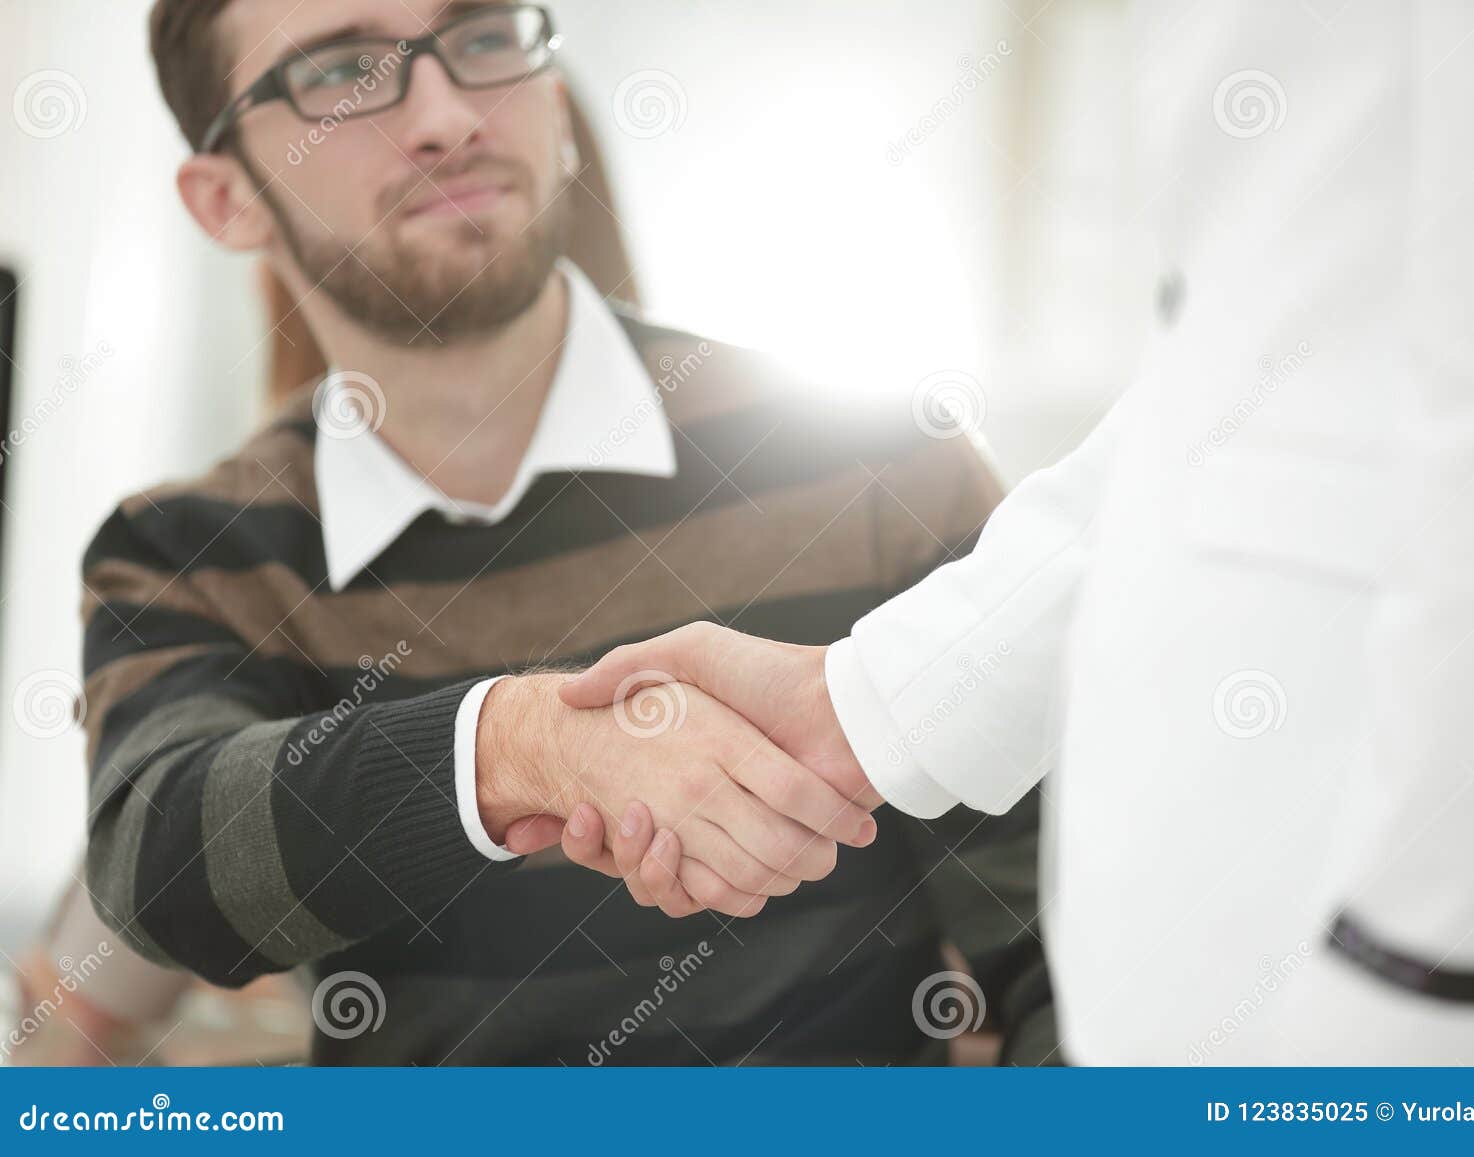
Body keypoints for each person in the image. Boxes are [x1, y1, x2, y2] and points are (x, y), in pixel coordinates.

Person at [557, 0, 1474, 1064]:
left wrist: (1442, 971)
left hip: (1404, 930)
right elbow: (1230, 369)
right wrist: (861, 701)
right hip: (1214, 940)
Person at [74, 0, 1057, 1065]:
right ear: (225, 200)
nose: (448, 115)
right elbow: (165, 865)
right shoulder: (187, 552)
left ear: (558, 102)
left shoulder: (879, 461)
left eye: (485, 38)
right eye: (345, 72)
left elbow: (1065, 933)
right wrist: (519, 744)